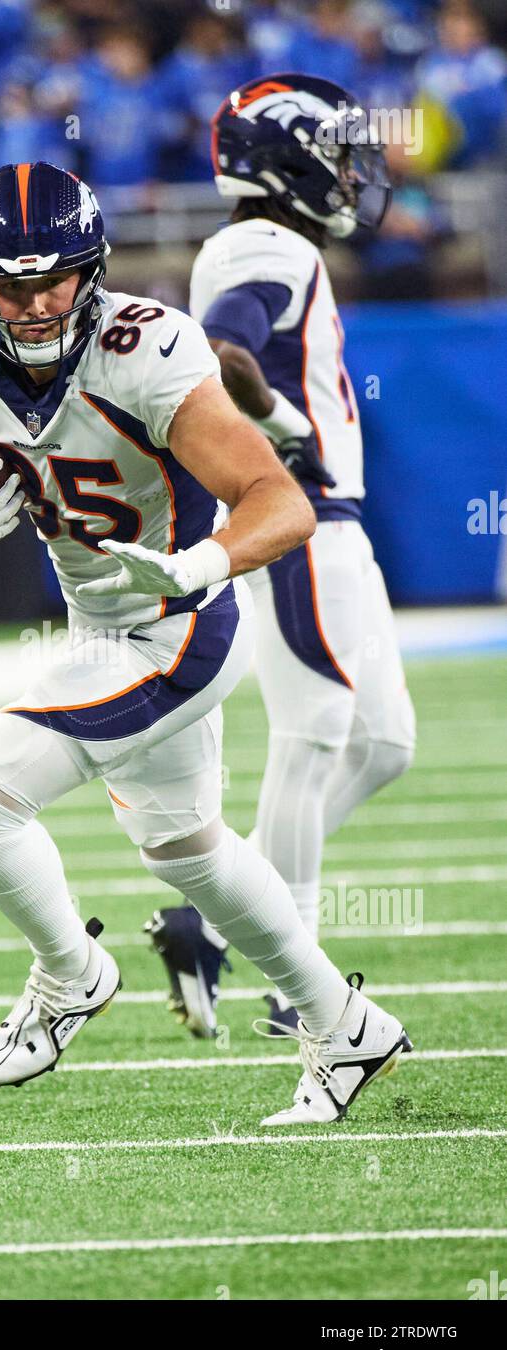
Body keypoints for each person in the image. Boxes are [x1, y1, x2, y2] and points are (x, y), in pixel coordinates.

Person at [0, 160, 412, 1125]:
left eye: (55, 280)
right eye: (12, 283)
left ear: (93, 272)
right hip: (100, 620)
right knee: (189, 851)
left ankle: (69, 975)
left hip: (179, 624)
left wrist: (203, 565)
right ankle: (347, 1027)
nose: (37, 304)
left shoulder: (147, 350)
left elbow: (281, 503)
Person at [148, 73, 416, 1039]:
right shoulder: (261, 245)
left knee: (384, 743)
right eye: (336, 151)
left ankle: (209, 930)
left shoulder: (276, 244)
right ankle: (298, 984)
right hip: (302, 517)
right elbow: (225, 354)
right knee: (313, 735)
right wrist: (289, 429)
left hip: (335, 520)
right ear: (287, 159)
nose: (351, 172)